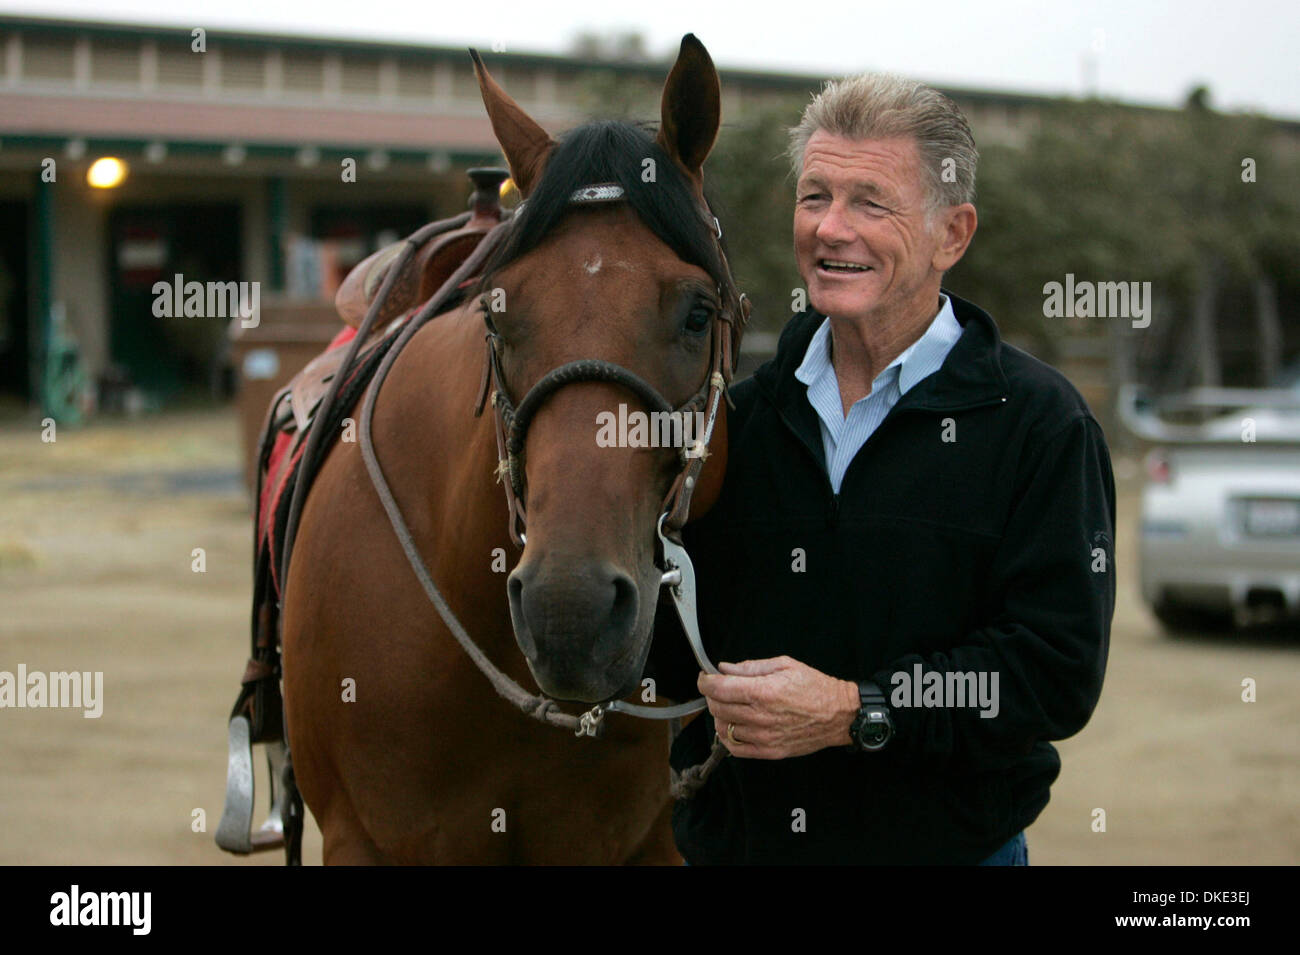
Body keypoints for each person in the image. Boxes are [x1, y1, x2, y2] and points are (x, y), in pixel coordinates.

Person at [650, 72, 1116, 865]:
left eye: (871, 201)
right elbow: (660, 652)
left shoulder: (1040, 425)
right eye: (815, 196)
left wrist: (854, 709)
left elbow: (1052, 670)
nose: (831, 228)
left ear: (952, 233)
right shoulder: (732, 423)